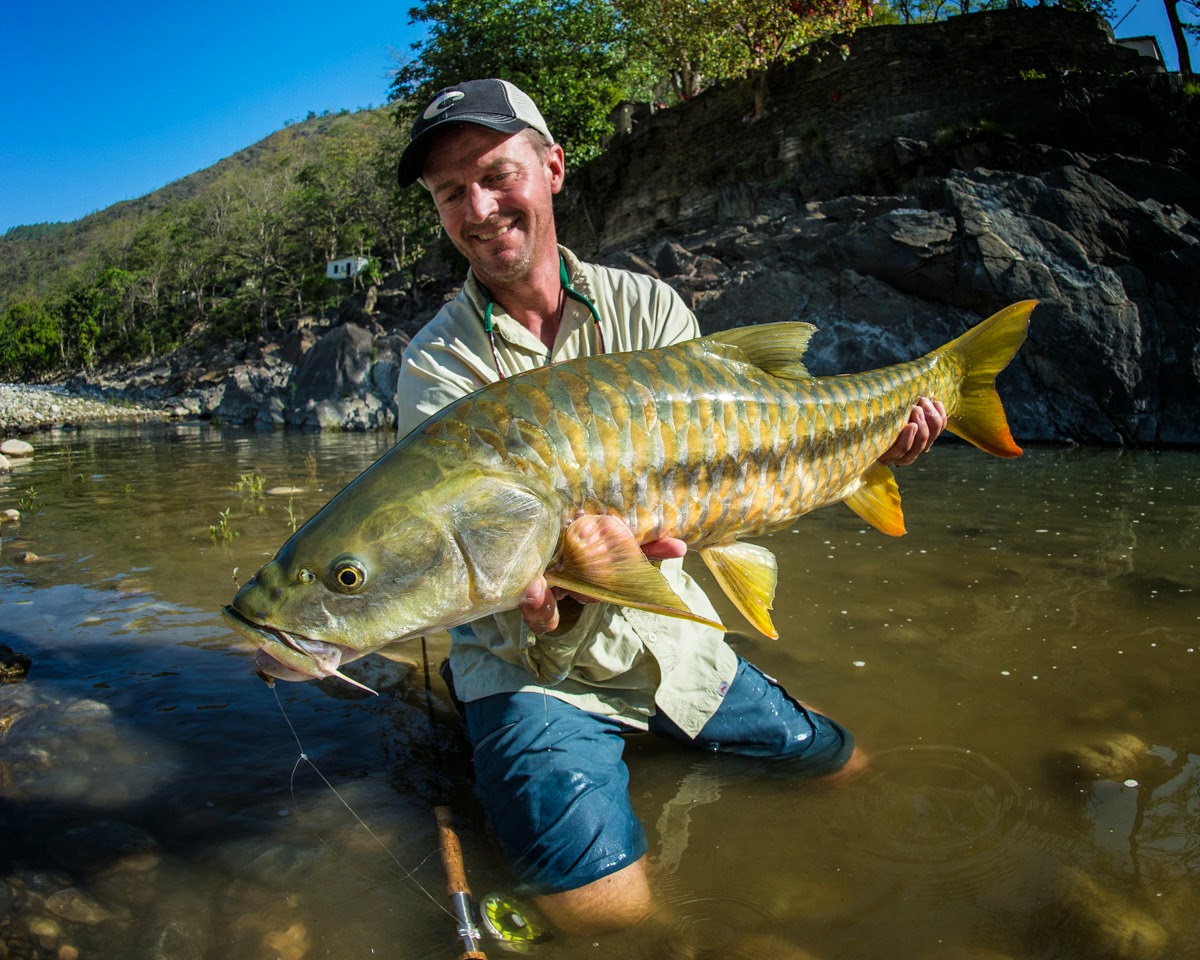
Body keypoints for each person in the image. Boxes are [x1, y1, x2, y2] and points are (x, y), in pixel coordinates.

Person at [393, 79, 947, 937]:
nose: (479, 207)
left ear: (552, 168)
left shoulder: (648, 306)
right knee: (606, 919)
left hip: (673, 639)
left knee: (845, 765)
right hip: (536, 672)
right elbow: (480, 569)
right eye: (449, 193)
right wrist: (559, 604)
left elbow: (738, 469)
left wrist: (870, 447)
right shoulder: (435, 367)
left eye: (498, 175)